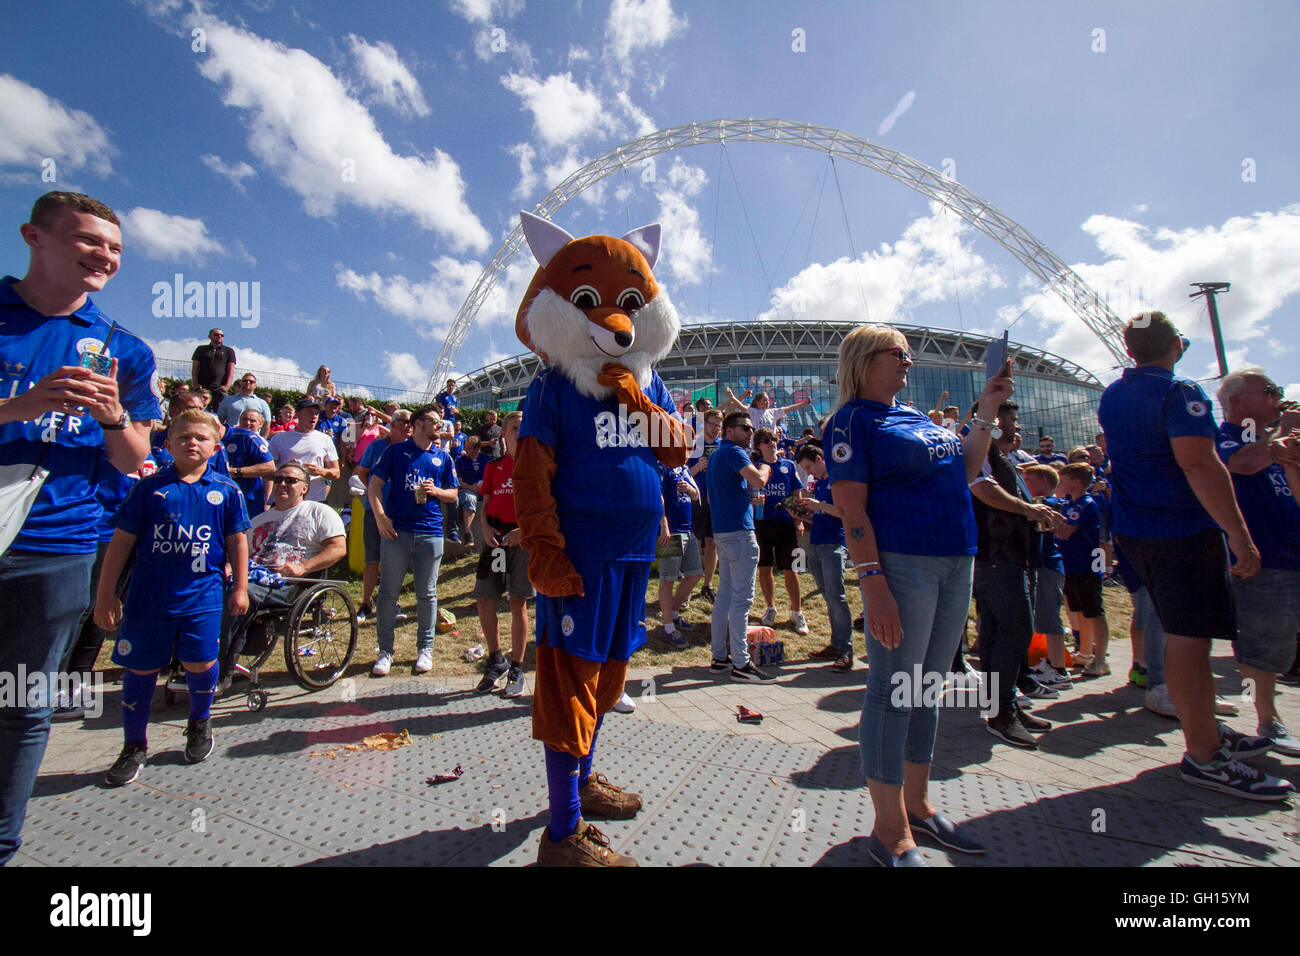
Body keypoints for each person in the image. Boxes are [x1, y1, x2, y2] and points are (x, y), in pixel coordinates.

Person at [0, 191, 160, 863]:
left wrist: (112, 418)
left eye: (115, 248)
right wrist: (24, 405)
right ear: (33, 236)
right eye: (88, 240)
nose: (104, 256)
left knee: (21, 705)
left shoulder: (124, 349)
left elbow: (136, 460)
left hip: (56, 548)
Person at [826, 324, 1014, 866]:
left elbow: (967, 467)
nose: (908, 361)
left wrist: (987, 409)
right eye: (898, 354)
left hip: (957, 557)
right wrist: (873, 582)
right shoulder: (851, 420)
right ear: (864, 359)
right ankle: (888, 831)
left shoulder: (912, 416)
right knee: (892, 688)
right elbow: (852, 511)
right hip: (903, 565)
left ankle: (918, 807)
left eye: (909, 354)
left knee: (927, 685)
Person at [1099, 311, 1291, 800]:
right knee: (1191, 642)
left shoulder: (1114, 394)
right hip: (1181, 531)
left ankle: (1203, 732)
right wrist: (1238, 534)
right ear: (1177, 346)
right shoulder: (1179, 392)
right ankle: (1204, 757)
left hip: (1136, 532)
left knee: (1181, 635)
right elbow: (1199, 463)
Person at [93, 409, 250, 785]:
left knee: (200, 664)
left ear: (215, 447)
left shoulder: (227, 491)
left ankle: (199, 723)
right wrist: (105, 595)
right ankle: (134, 745)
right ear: (167, 444)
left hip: (203, 599)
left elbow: (237, 540)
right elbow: (121, 543)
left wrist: (241, 587)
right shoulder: (148, 489)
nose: (191, 442)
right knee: (140, 670)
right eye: (183, 437)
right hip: (148, 601)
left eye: (200, 437)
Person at [1215, 367, 1300, 755]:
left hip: (1293, 553)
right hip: (1262, 562)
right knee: (1261, 647)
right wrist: (1284, 431)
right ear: (1237, 402)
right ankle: (1268, 721)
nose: (1277, 396)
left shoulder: (1279, 444)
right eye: (1268, 390)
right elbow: (1245, 464)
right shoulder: (1222, 438)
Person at [219, 461, 346, 690]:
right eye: (278, 479)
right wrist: (229, 567)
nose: (282, 484)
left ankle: (222, 669)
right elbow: (239, 555)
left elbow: (338, 549)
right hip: (252, 576)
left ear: (305, 488)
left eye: (291, 480)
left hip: (289, 585)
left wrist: (304, 567)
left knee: (240, 593)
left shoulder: (319, 512)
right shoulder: (257, 521)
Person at [367, 405, 458, 676]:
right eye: (434, 421)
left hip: (431, 531)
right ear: (418, 424)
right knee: (388, 593)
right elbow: (374, 485)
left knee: (427, 593)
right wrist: (380, 516)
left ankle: (425, 649)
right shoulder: (396, 451)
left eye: (440, 422)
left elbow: (453, 494)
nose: (439, 426)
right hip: (398, 531)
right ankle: (385, 651)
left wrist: (437, 491)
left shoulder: (443, 457)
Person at [707, 411, 774, 682]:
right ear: (729, 430)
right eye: (745, 428)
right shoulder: (734, 452)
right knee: (741, 601)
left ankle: (720, 657)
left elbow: (722, 494)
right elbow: (758, 480)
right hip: (739, 533)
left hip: (724, 532)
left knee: (724, 597)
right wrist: (768, 464)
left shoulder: (717, 455)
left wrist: (746, 501)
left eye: (750, 428)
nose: (749, 433)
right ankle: (741, 663)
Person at [473, 412, 534, 697]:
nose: (520, 433)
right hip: (497, 542)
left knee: (517, 601)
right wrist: (484, 527)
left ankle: (518, 667)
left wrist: (523, 530)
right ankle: (496, 660)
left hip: (522, 542)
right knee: (486, 597)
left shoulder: (537, 467)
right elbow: (485, 501)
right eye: (515, 428)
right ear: (504, 435)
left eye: (525, 428)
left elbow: (546, 507)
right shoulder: (494, 467)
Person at [796, 444, 854, 671]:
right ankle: (836, 644)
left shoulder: (838, 481)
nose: (810, 472)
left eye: (810, 466)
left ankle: (846, 649)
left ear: (820, 459)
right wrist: (803, 514)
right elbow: (821, 514)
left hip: (833, 544)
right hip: (817, 544)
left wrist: (819, 505)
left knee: (837, 597)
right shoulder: (819, 484)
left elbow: (844, 512)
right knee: (829, 597)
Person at [353, 409, 412, 621]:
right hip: (374, 510)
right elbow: (362, 472)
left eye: (410, 423)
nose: (408, 426)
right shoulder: (377, 446)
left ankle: (393, 602)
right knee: (372, 558)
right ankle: (366, 603)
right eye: (404, 422)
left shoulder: (411, 449)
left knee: (394, 560)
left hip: (399, 512)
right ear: (393, 424)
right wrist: (374, 491)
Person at [1054, 463, 1110, 676]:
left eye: (1064, 478)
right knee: (1080, 611)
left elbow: (1066, 531)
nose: (1061, 482)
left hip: (1086, 565)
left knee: (1094, 611)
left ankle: (1100, 659)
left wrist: (1052, 524)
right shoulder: (1069, 503)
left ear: (1076, 482)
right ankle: (1085, 652)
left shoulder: (1085, 504)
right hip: (1072, 564)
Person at [752, 426, 808, 634]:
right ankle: (770, 607)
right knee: (765, 567)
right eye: (766, 440)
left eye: (774, 439)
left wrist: (798, 521)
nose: (772, 443)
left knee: (790, 569)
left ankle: (797, 612)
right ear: (759, 445)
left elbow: (796, 494)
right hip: (763, 523)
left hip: (786, 523)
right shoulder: (755, 467)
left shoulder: (788, 465)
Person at [1021, 464, 1073, 689]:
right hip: (1043, 567)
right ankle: (1051, 663)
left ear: (1044, 482)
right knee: (1042, 617)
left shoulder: (1047, 504)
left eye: (1029, 481)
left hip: (1048, 567)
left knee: (1050, 618)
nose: (1025, 485)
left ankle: (1059, 671)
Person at [657, 460, 703, 649]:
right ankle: (668, 627)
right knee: (668, 579)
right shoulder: (663, 466)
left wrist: (690, 489)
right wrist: (663, 524)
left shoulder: (684, 468)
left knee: (695, 573)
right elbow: (657, 495)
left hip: (687, 529)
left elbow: (696, 494)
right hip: (672, 531)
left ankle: (674, 612)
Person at [267, 397, 339, 502]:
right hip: (284, 500)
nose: (314, 416)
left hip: (314, 499)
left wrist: (320, 471)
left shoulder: (325, 439)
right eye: (310, 412)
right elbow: (267, 471)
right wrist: (288, 471)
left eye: (316, 413)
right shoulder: (279, 439)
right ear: (298, 414)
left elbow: (336, 473)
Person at [687, 408, 722, 604]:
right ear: (704, 424)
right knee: (691, 544)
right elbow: (682, 476)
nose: (715, 429)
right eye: (711, 424)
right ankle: (687, 585)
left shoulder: (723, 446)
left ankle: (708, 585)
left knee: (712, 544)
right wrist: (697, 467)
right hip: (695, 501)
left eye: (718, 425)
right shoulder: (693, 445)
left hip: (715, 502)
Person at [226, 408, 276, 520]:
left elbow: (268, 473)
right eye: (244, 419)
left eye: (252, 421)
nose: (247, 423)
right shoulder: (230, 439)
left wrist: (267, 500)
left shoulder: (264, 444)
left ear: (260, 424)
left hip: (252, 496)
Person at [190, 329, 236, 410]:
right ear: (209, 336)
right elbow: (195, 368)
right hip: (202, 387)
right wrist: (195, 385)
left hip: (219, 388)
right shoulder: (201, 349)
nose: (219, 336)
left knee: (221, 413)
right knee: (198, 410)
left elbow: (231, 370)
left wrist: (227, 386)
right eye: (216, 334)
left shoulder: (229, 351)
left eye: (222, 335)